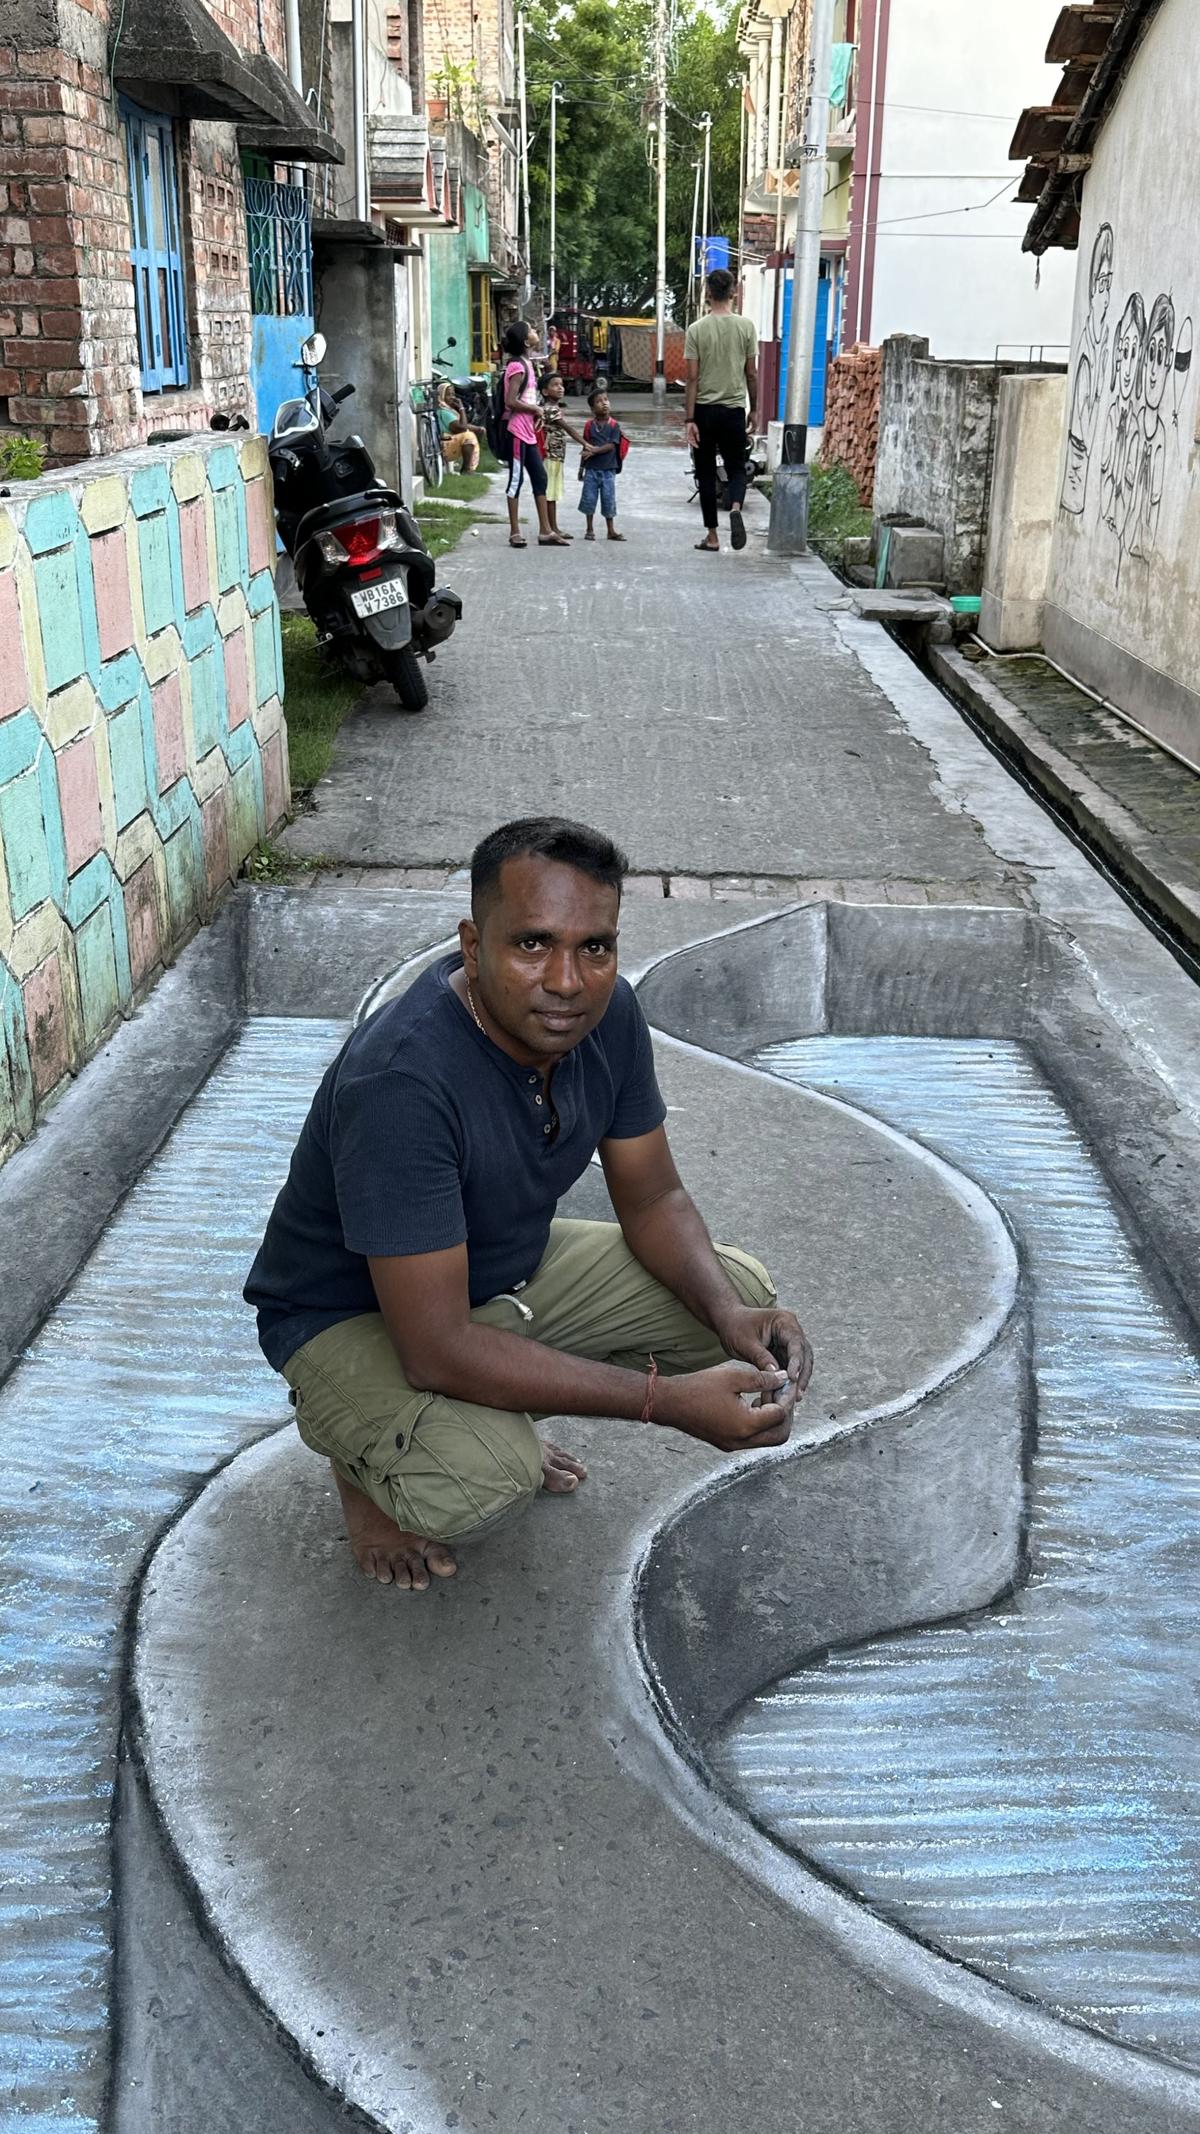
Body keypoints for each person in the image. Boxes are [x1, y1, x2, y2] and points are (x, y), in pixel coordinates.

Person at [244, 816, 813, 1591]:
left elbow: (653, 1197)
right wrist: (665, 1402)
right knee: (483, 1479)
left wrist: (727, 1313)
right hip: (348, 1317)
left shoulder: (607, 1017)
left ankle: (471, 1410)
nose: (567, 981)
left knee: (735, 1292)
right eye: (533, 944)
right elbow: (435, 1347)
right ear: (473, 945)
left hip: (494, 1274)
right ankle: (364, 1458)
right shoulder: (401, 1083)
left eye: (595, 947)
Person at [684, 266, 759, 553]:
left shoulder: (696, 329)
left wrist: (689, 419)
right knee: (736, 468)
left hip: (704, 411)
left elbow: (692, 378)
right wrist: (754, 409)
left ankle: (712, 536)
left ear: (707, 293)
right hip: (733, 410)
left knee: (705, 473)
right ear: (733, 293)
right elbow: (751, 373)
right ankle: (736, 508)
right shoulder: (746, 327)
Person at [500, 320, 568, 548]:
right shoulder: (517, 366)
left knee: (540, 477)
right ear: (526, 341)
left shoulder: (527, 363)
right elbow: (510, 401)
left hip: (527, 432)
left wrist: (535, 412)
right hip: (517, 432)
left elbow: (525, 398)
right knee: (516, 480)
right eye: (530, 330)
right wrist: (535, 410)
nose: (535, 331)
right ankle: (514, 532)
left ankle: (545, 530)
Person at [540, 371, 589, 539]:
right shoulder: (550, 409)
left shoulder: (553, 408)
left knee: (552, 493)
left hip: (556, 455)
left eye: (561, 385)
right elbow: (569, 429)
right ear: (545, 391)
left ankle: (552, 527)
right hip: (551, 455)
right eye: (555, 385)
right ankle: (552, 528)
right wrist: (585, 443)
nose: (560, 388)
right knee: (551, 494)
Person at [578, 387, 626, 541]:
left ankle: (610, 530)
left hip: (608, 470)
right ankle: (589, 529)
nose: (604, 403)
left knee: (608, 500)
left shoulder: (614, 425)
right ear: (592, 408)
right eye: (599, 401)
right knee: (589, 499)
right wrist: (581, 467)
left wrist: (594, 451)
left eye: (606, 400)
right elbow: (585, 446)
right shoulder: (589, 425)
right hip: (591, 469)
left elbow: (612, 445)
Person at [437, 382, 480, 474]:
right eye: (448, 395)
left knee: (474, 432)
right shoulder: (444, 411)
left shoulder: (448, 410)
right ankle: (466, 469)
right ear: (441, 396)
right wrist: (461, 408)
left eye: (453, 394)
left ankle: (469, 467)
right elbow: (463, 427)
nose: (452, 397)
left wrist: (478, 429)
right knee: (468, 437)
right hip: (444, 446)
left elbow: (463, 424)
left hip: (447, 442)